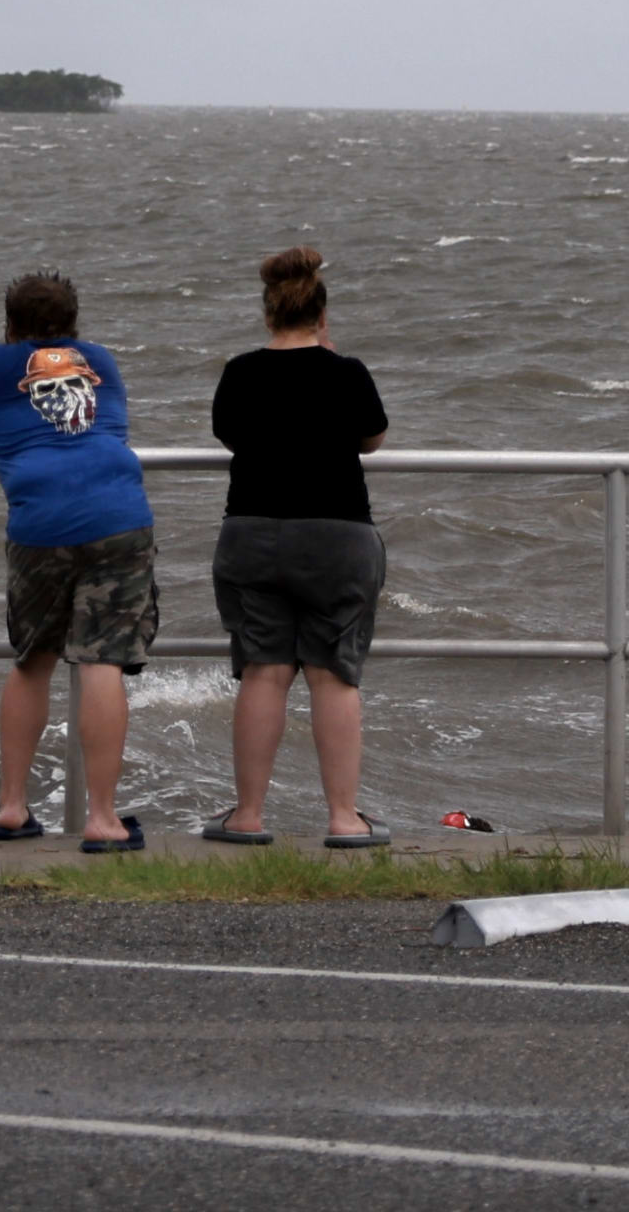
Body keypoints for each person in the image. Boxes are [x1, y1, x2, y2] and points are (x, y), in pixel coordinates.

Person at [0, 266, 156, 850]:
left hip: (39, 523)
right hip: (118, 513)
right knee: (102, 662)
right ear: (73, 322)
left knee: (33, 660)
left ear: (10, 323)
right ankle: (103, 819)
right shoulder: (103, 361)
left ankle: (12, 806)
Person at [201, 241, 390, 847]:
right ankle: (343, 818)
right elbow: (372, 440)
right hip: (336, 534)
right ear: (322, 316)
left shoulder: (240, 372)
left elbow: (230, 434)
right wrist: (330, 362)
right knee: (332, 674)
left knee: (264, 671)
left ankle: (249, 815)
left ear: (268, 314)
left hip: (253, 530)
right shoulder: (347, 373)